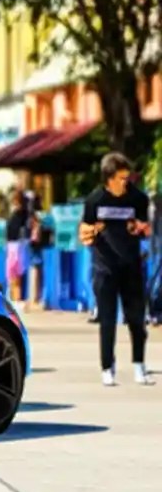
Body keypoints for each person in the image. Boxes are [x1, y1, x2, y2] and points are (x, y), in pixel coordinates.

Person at [80, 152, 152, 386]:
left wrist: (141, 228)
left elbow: (146, 229)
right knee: (107, 320)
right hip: (105, 267)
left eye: (127, 177)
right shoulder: (94, 200)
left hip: (131, 265)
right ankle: (107, 367)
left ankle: (139, 365)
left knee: (136, 319)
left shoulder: (138, 198)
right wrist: (93, 231)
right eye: (121, 178)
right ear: (109, 179)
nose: (125, 182)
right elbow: (84, 233)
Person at [4, 188, 32, 304]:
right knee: (14, 274)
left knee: (14, 274)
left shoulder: (19, 214)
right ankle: (15, 298)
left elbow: (14, 231)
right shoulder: (22, 214)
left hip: (15, 245)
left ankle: (16, 298)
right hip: (15, 245)